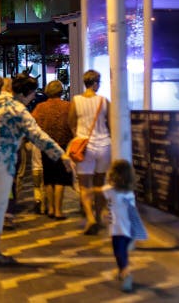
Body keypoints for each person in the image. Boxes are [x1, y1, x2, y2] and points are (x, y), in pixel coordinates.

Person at [0, 73, 76, 265]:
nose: (33, 98)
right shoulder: (18, 109)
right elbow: (37, 135)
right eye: (32, 94)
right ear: (25, 93)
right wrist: (61, 155)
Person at [92, 159, 147, 293]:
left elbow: (98, 190)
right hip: (129, 230)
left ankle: (125, 273)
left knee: (119, 252)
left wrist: (87, 191)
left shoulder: (111, 190)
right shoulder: (129, 193)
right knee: (122, 252)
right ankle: (122, 270)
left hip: (118, 229)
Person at [68, 69, 111, 235]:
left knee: (84, 185)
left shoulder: (76, 100)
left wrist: (79, 137)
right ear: (95, 83)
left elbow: (71, 122)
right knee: (100, 184)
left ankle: (90, 217)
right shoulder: (104, 101)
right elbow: (111, 124)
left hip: (85, 147)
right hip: (104, 146)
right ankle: (99, 217)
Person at [31, 80, 73, 219]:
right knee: (60, 179)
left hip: (46, 146)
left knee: (49, 178)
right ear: (61, 91)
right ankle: (58, 211)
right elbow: (72, 124)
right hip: (62, 146)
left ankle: (50, 209)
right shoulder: (68, 106)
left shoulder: (40, 107)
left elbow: (33, 123)